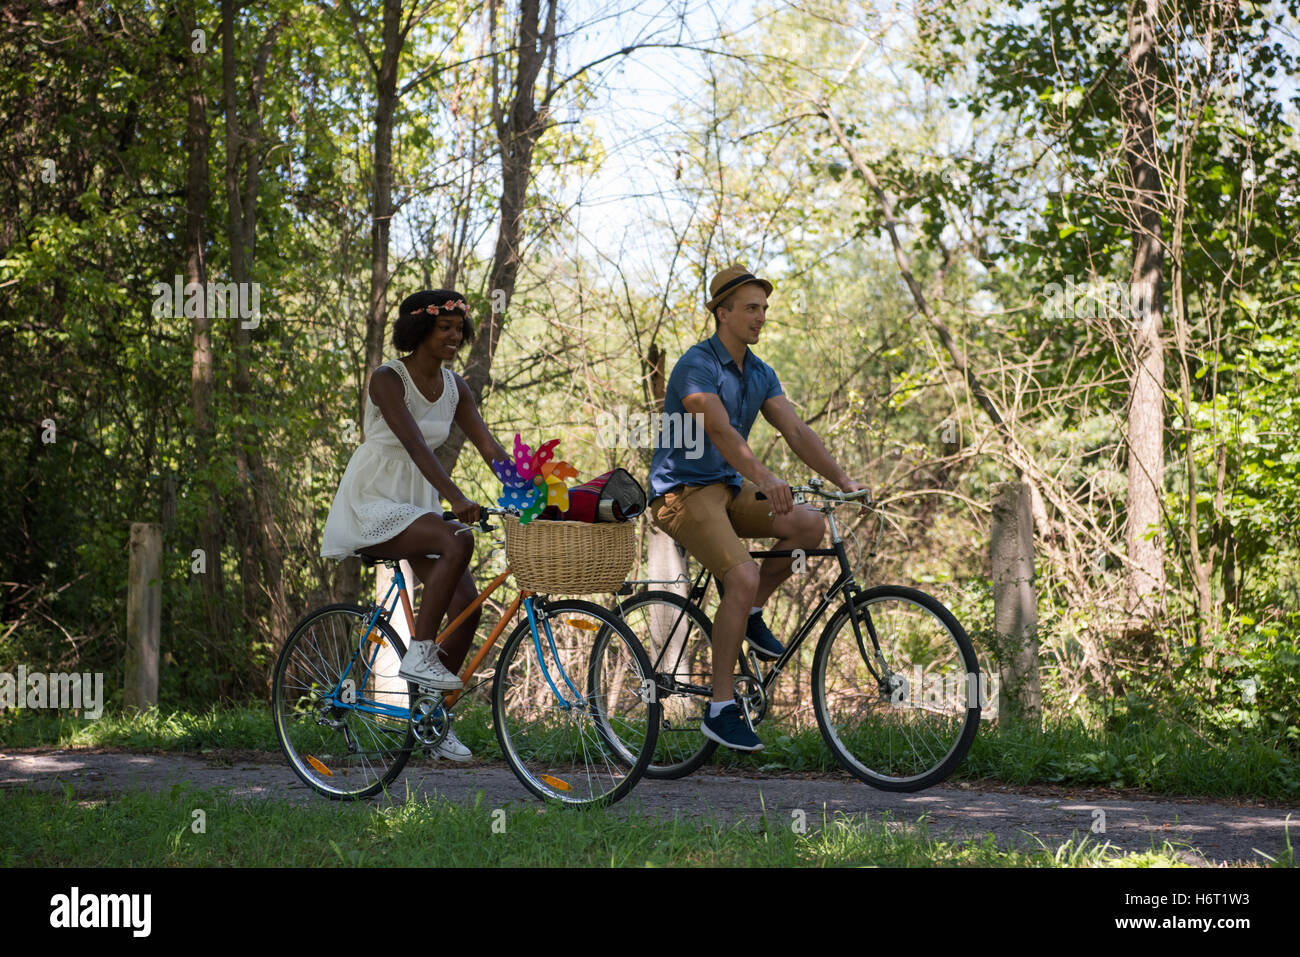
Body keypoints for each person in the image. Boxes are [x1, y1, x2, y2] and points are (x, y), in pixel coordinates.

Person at [647, 264, 868, 752]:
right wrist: (766, 477)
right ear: (722, 313)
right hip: (681, 493)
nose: (760, 317)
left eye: (764, 309)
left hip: (725, 489)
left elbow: (796, 431)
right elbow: (720, 430)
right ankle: (721, 708)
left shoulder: (761, 372)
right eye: (750, 308)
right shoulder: (696, 366)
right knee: (741, 576)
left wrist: (844, 480)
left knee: (808, 526)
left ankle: (750, 612)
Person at [321, 289, 509, 761]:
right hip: (374, 499)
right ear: (418, 330)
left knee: (468, 606)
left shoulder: (456, 387)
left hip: (418, 504)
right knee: (454, 537)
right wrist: (456, 498)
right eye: (443, 327)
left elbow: (488, 446)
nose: (453, 336)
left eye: (458, 329)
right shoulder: (388, 378)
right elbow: (413, 446)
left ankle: (431, 719)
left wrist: (535, 491)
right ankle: (420, 653)